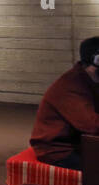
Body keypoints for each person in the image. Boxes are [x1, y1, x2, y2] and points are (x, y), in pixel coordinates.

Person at [30, 36, 99, 170]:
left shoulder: (91, 79)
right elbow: (93, 126)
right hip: (58, 150)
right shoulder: (71, 86)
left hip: (78, 142)